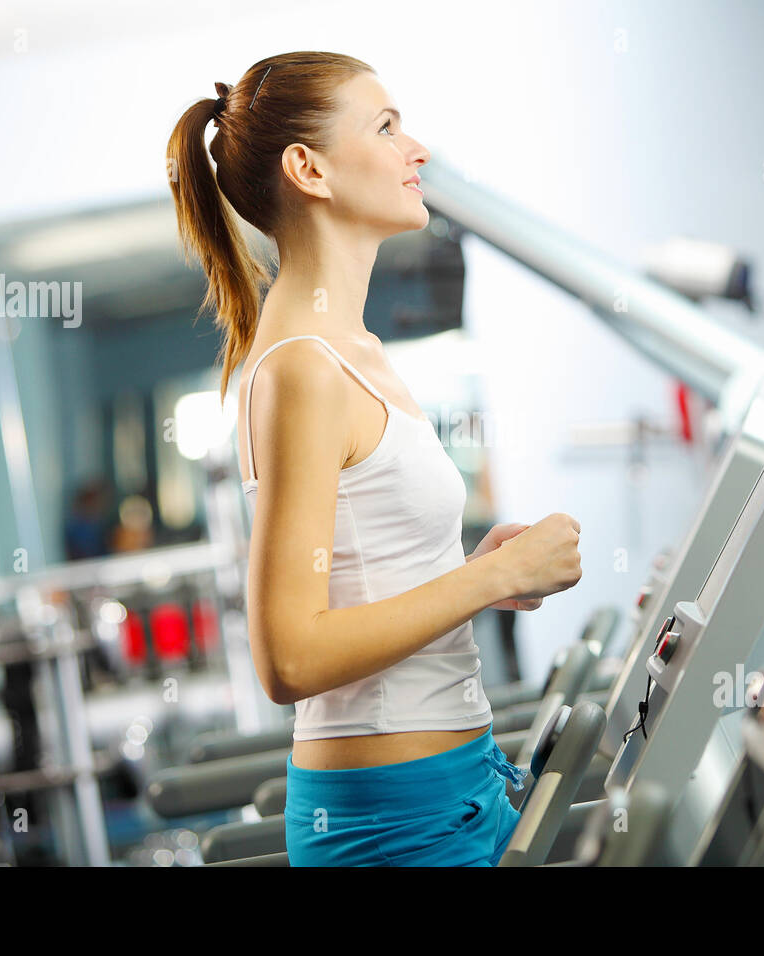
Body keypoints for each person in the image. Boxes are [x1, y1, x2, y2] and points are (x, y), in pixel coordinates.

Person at [166, 51, 582, 866]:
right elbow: (288, 656)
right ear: (308, 169)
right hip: (401, 826)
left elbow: (358, 574)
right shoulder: (303, 368)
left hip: (459, 789)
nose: (415, 150)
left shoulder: (348, 348)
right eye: (386, 127)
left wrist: (470, 573)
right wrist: (489, 580)